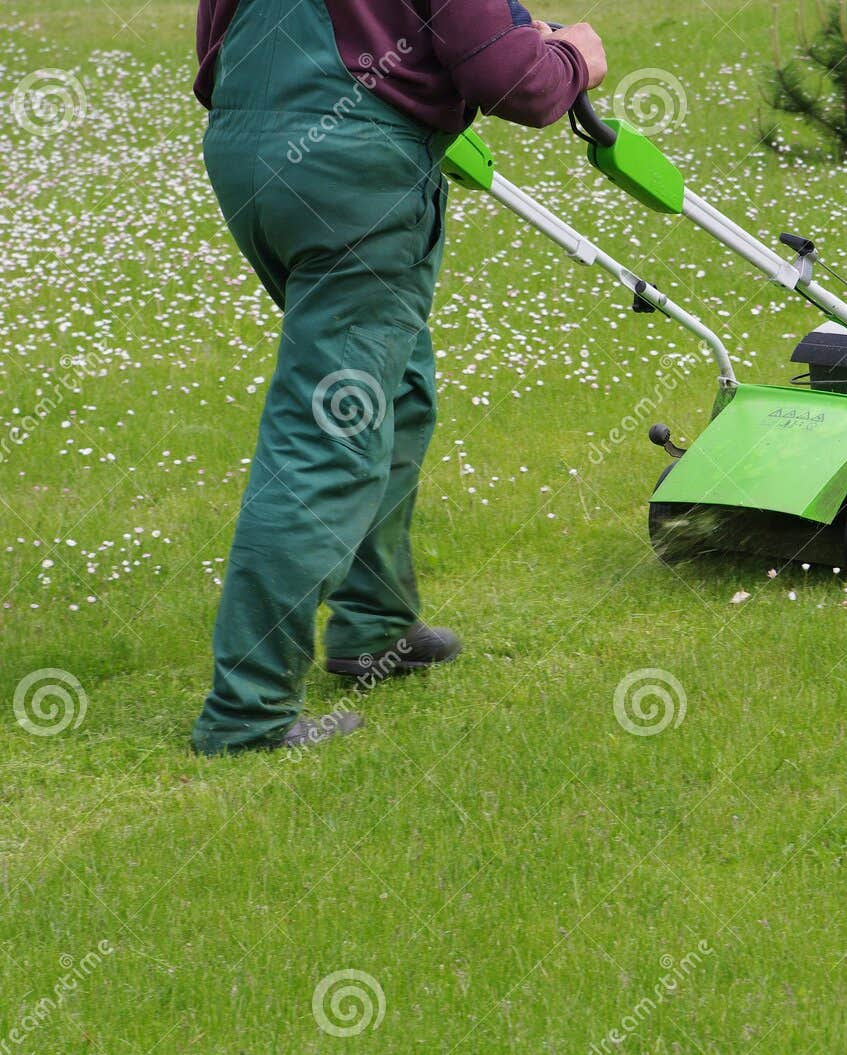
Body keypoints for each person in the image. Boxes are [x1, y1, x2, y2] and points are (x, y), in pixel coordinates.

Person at [189, 2, 606, 753]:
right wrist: (576, 55)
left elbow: (212, 50)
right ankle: (246, 717)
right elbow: (521, 85)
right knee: (328, 433)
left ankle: (373, 627)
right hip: (351, 169)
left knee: (397, 388)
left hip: (250, 152)